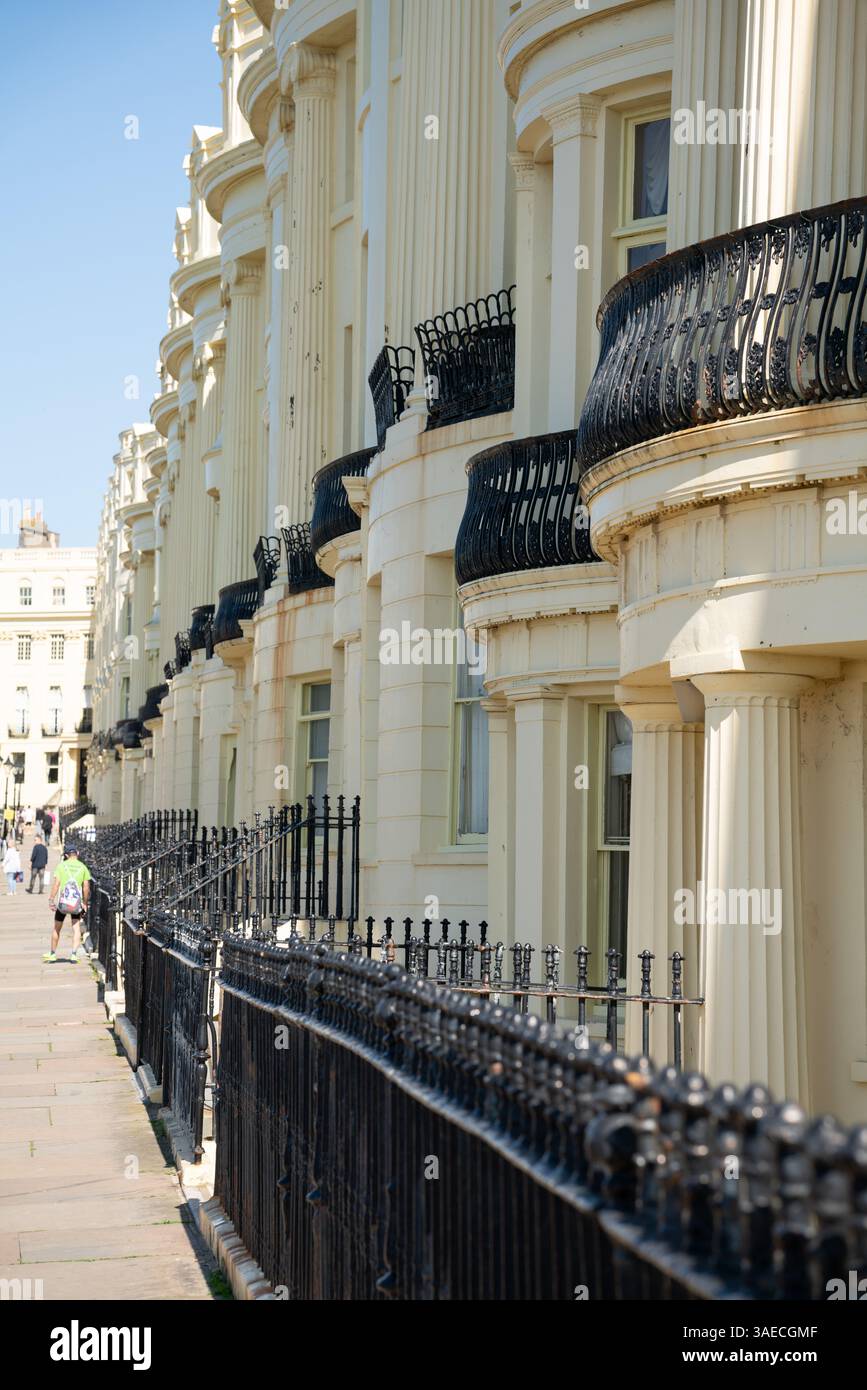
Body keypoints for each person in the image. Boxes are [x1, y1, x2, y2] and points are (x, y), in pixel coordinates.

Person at [44, 847, 91, 964]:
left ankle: (53, 954)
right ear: (78, 853)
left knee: (57, 928)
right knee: (76, 928)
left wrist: (51, 899)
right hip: (76, 904)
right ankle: (74, 955)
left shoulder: (62, 866)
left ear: (66, 855)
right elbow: (86, 888)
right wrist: (85, 903)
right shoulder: (83, 867)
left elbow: (56, 884)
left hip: (63, 903)